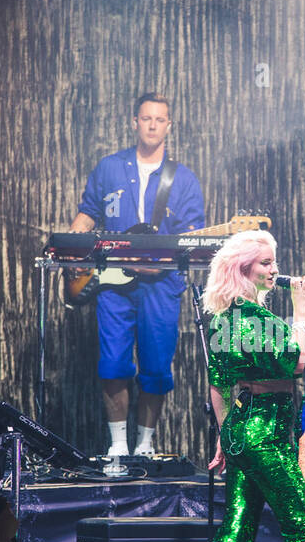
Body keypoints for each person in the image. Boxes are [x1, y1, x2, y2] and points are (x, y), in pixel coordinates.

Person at [69, 92, 206, 457]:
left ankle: (144, 445)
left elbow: (194, 236)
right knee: (113, 363)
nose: (152, 125)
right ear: (135, 122)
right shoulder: (109, 168)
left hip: (161, 286)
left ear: (168, 127)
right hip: (113, 282)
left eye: (159, 120)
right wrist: (73, 252)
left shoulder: (185, 179)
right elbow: (87, 214)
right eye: (146, 118)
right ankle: (117, 446)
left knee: (156, 369)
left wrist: (162, 259)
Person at [199, 231, 305, 542]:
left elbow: (217, 385)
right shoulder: (253, 317)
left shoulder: (225, 317)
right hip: (263, 433)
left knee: (236, 529)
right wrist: (301, 312)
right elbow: (297, 362)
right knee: (302, 524)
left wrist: (225, 435)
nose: (275, 270)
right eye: (266, 263)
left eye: (274, 262)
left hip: (245, 431)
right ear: (243, 267)